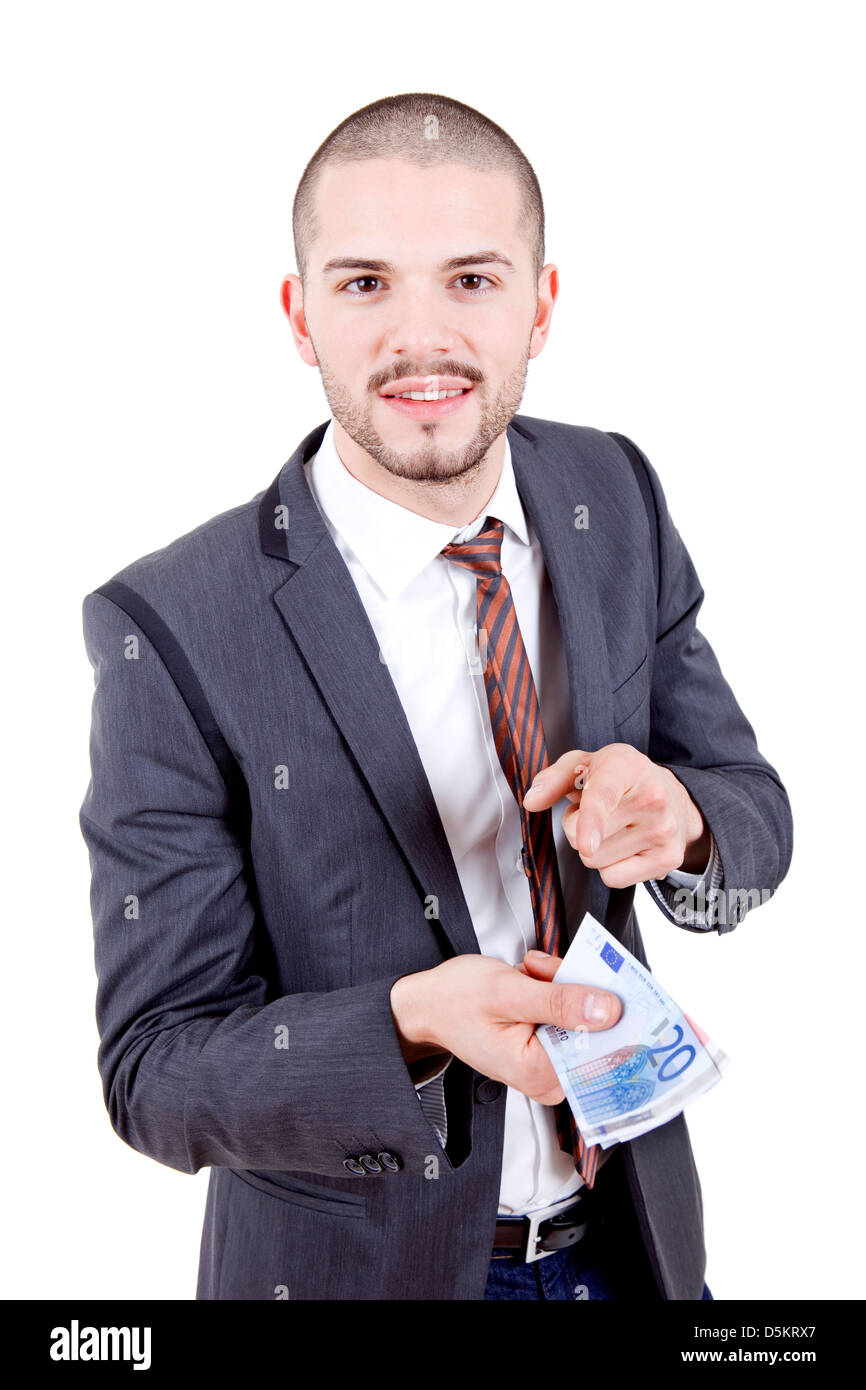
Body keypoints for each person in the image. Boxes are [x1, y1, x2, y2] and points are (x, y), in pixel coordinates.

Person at [79, 92, 793, 1301]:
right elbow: (154, 1071)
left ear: (540, 305)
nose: (421, 339)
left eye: (470, 280)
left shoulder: (611, 491)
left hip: (635, 1255)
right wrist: (409, 1021)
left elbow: (754, 817)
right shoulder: (171, 625)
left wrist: (679, 819)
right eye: (365, 284)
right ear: (301, 317)